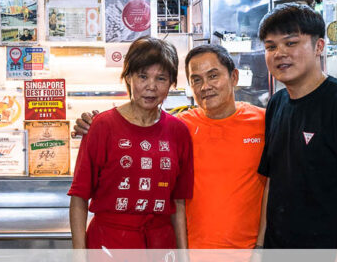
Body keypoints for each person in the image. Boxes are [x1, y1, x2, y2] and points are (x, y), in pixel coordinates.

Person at [75, 43, 267, 249]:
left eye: (213, 76)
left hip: (246, 251)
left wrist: (262, 245)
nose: (205, 86)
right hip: (185, 248)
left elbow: (274, 187)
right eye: (196, 80)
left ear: (234, 77)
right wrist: (91, 123)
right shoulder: (180, 127)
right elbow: (137, 125)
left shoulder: (265, 122)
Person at [257, 3, 337, 249]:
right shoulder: (277, 103)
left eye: (291, 43)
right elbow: (272, 182)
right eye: (271, 47)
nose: (279, 53)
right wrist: (261, 247)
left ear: (319, 47)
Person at [68, 37, 193, 250]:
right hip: (109, 243)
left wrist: (183, 256)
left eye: (161, 78)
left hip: (161, 244)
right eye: (142, 76)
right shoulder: (102, 126)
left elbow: (178, 203)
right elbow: (79, 197)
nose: (151, 87)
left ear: (172, 82)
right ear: (129, 77)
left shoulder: (179, 131)